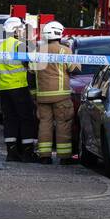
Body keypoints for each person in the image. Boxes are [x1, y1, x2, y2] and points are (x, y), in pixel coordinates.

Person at [32, 22, 80, 164]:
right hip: (61, 96)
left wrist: (34, 94)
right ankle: (64, 158)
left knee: (44, 124)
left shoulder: (37, 51)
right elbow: (74, 70)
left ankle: (44, 157)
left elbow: (30, 74)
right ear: (60, 34)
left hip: (42, 96)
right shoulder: (64, 51)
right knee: (63, 124)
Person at [0, 17, 39, 162]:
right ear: (15, 30)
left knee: (9, 120)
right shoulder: (19, 45)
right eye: (20, 29)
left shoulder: (0, 46)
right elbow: (29, 64)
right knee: (26, 118)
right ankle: (27, 153)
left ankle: (11, 152)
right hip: (19, 87)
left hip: (4, 88)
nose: (21, 31)